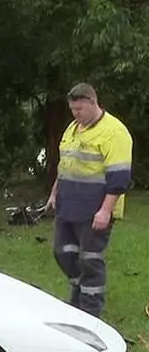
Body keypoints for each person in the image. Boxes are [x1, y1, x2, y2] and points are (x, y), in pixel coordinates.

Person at [44, 83, 132, 318]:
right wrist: (54, 194)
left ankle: (91, 315)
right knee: (63, 253)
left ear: (94, 102)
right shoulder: (74, 128)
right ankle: (80, 296)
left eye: (80, 109)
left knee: (90, 261)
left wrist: (105, 211)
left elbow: (119, 178)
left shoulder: (114, 132)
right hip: (67, 206)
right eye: (73, 110)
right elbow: (65, 167)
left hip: (94, 210)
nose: (76, 115)